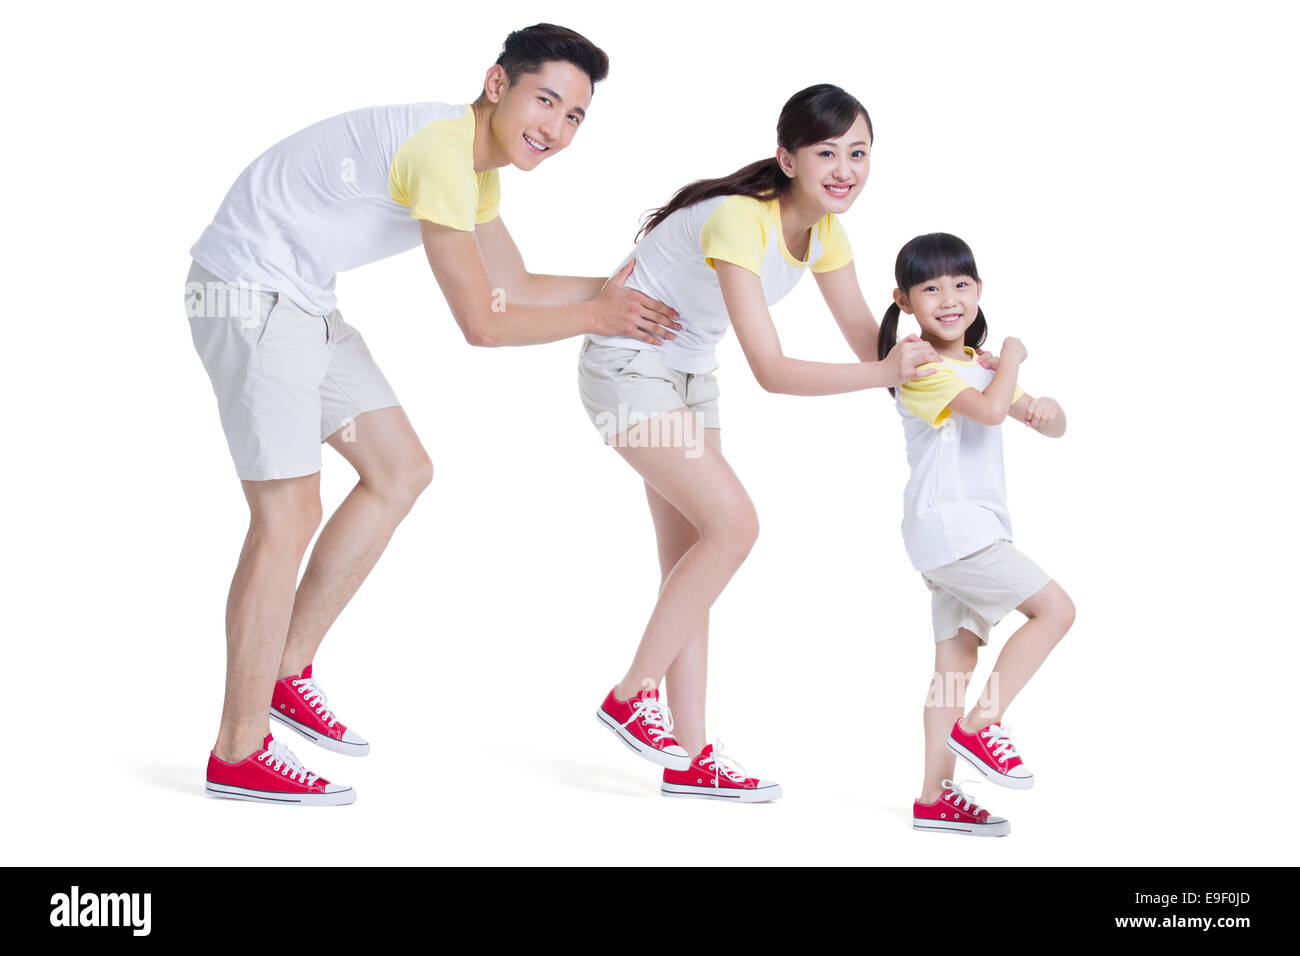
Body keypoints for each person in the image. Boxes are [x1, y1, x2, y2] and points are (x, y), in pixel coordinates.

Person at [188, 23, 680, 806]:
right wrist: (601, 318)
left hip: (302, 296)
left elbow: (511, 281)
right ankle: (238, 749)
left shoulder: (475, 168)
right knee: (286, 514)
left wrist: (625, 296)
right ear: (497, 84)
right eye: (544, 100)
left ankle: (284, 671)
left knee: (400, 471)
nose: (554, 128)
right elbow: (485, 324)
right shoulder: (442, 155)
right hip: (247, 295)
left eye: (575, 116)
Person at [580, 84, 948, 802]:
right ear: (787, 158)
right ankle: (631, 696)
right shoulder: (738, 220)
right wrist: (883, 371)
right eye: (826, 152)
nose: (845, 169)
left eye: (859, 152)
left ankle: (690, 757)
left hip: (689, 376)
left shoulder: (828, 234)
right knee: (735, 526)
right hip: (625, 368)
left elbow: (866, 342)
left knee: (693, 565)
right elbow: (773, 371)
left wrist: (957, 365)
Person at [875, 233, 1075, 836]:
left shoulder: (977, 367)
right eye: (930, 287)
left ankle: (935, 797)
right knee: (1056, 611)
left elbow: (1048, 424)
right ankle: (982, 727)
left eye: (960, 284)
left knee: (953, 666)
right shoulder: (923, 365)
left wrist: (1043, 407)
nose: (949, 297)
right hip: (956, 530)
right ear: (905, 301)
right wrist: (1010, 357)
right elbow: (990, 411)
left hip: (953, 535)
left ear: (979, 290)